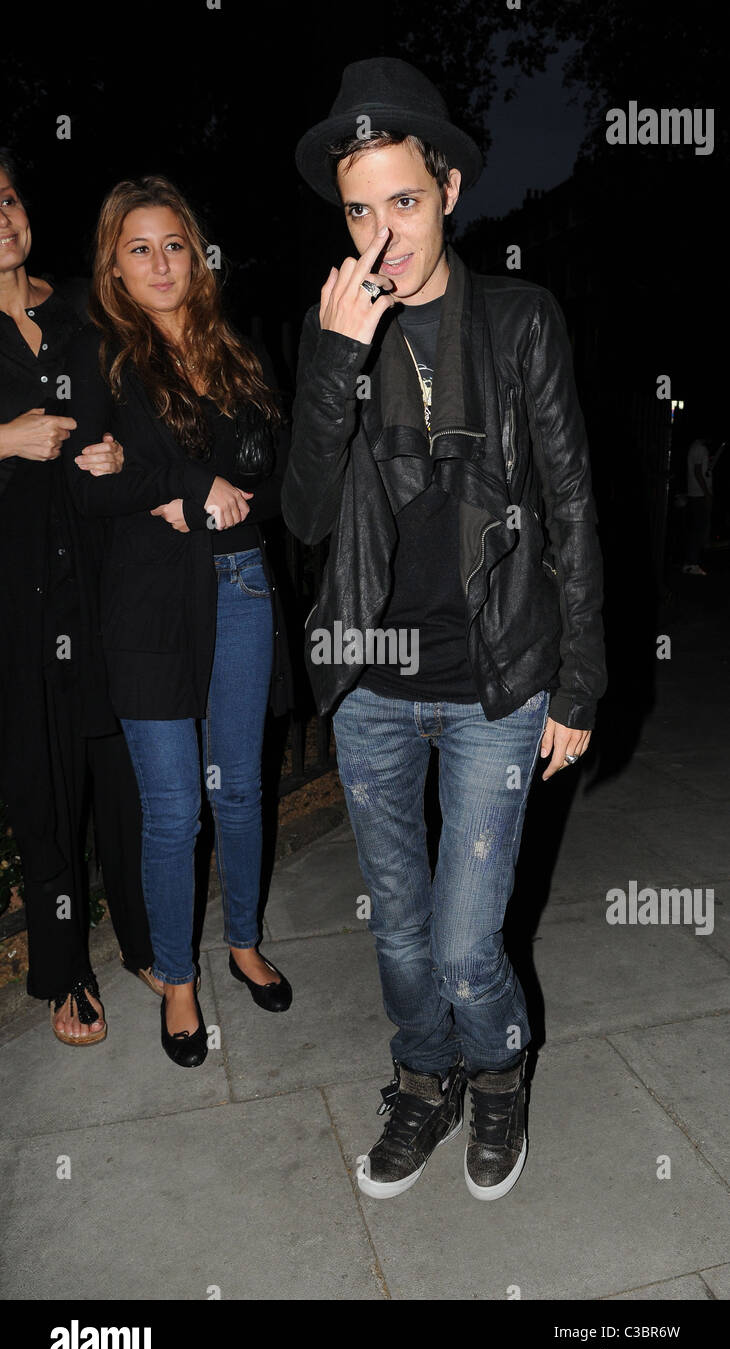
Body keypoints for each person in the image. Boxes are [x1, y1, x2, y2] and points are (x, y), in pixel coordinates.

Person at [283, 58, 607, 1200]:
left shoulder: (520, 321)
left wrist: (579, 683)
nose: (382, 235)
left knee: (470, 947)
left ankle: (501, 1075)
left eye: (403, 201)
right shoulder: (335, 329)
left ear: (450, 189)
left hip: (495, 682)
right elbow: (307, 516)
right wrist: (333, 360)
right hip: (371, 681)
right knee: (400, 936)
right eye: (358, 209)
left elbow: (568, 504)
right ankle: (422, 1081)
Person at [63, 176, 293, 1068]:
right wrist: (185, 487)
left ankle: (241, 941)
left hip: (239, 588)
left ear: (197, 256)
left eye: (174, 245)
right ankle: (178, 979)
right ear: (114, 267)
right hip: (150, 606)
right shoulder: (101, 357)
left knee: (238, 789)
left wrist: (183, 491)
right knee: (171, 811)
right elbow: (88, 482)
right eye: (139, 248)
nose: (161, 263)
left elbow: (276, 487)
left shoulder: (237, 352)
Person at [0, 147, 156, 1046]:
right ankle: (66, 972)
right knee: (44, 786)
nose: (4, 217)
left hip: (101, 580)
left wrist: (121, 457)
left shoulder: (79, 320)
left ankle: (142, 938)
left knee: (122, 772)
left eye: (10, 198)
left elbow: (129, 423)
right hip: (19, 602)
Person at [682, 436, 724, 575]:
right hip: (699, 494)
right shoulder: (699, 447)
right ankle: (691, 563)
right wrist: (706, 493)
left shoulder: (698, 447)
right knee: (698, 529)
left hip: (698, 494)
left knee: (698, 528)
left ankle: (693, 561)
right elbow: (698, 472)